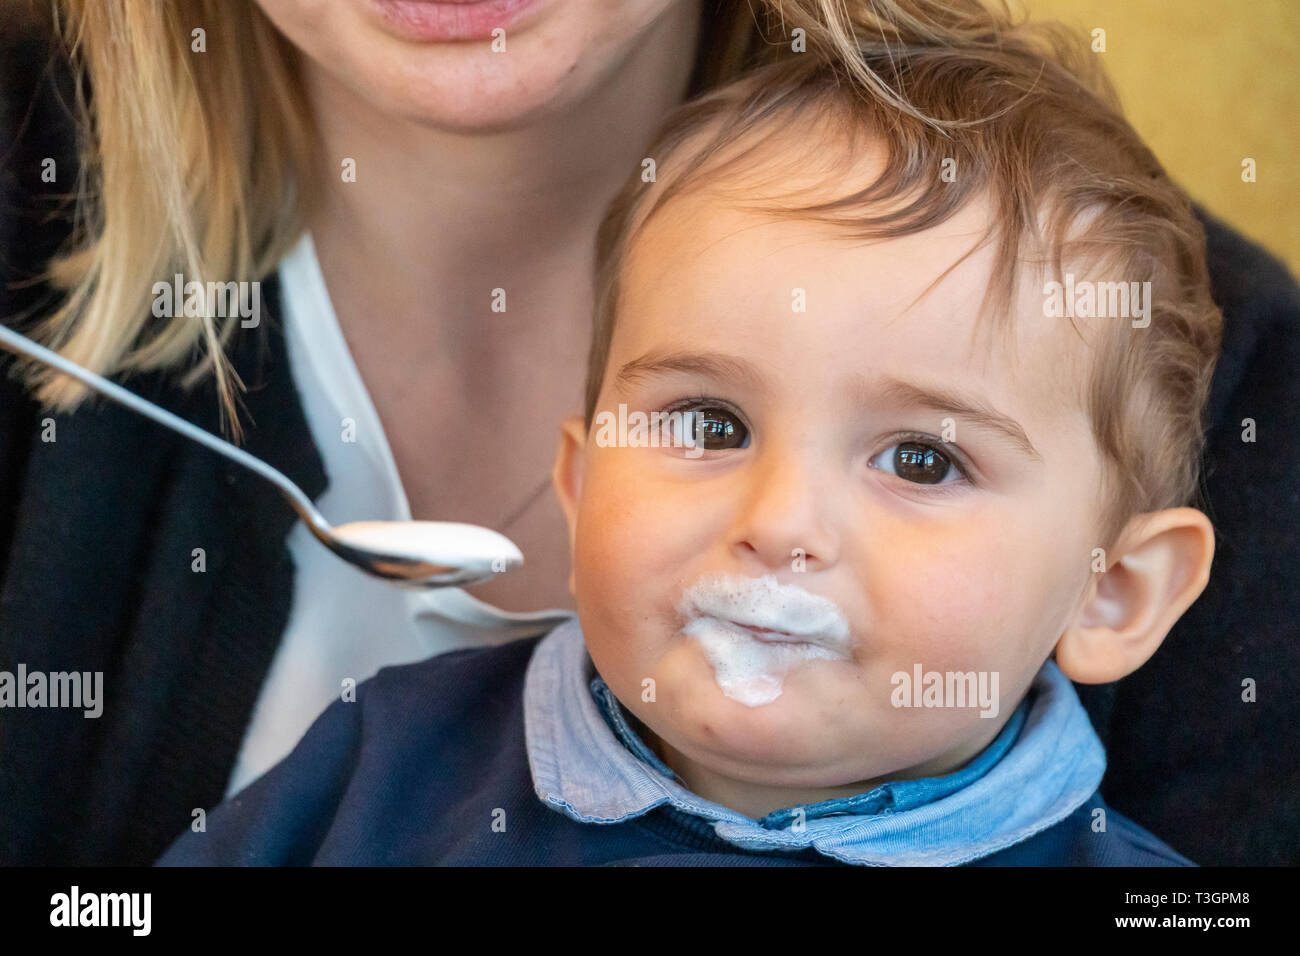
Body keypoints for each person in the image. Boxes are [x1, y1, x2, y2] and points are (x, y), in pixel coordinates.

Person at [160, 14, 1219, 865]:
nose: (777, 524)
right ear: (580, 484)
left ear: (1111, 589)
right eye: (711, 425)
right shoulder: (388, 762)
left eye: (920, 459)